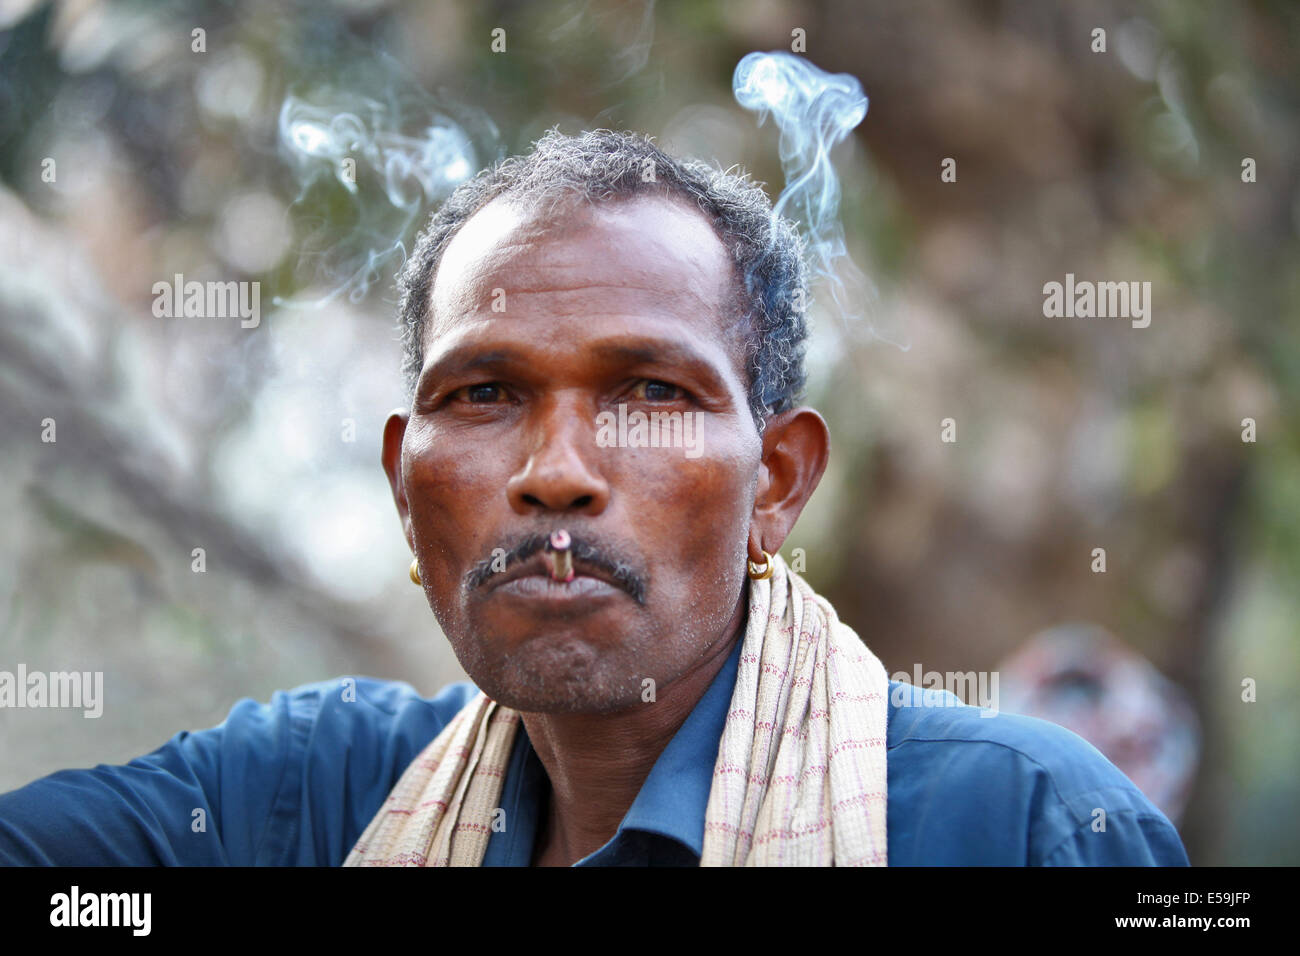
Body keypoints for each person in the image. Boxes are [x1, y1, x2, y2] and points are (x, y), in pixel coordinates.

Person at [0, 130, 1189, 866]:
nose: (554, 468)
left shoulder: (1017, 826)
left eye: (650, 391)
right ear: (404, 490)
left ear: (775, 482)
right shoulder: (310, 798)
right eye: (483, 393)